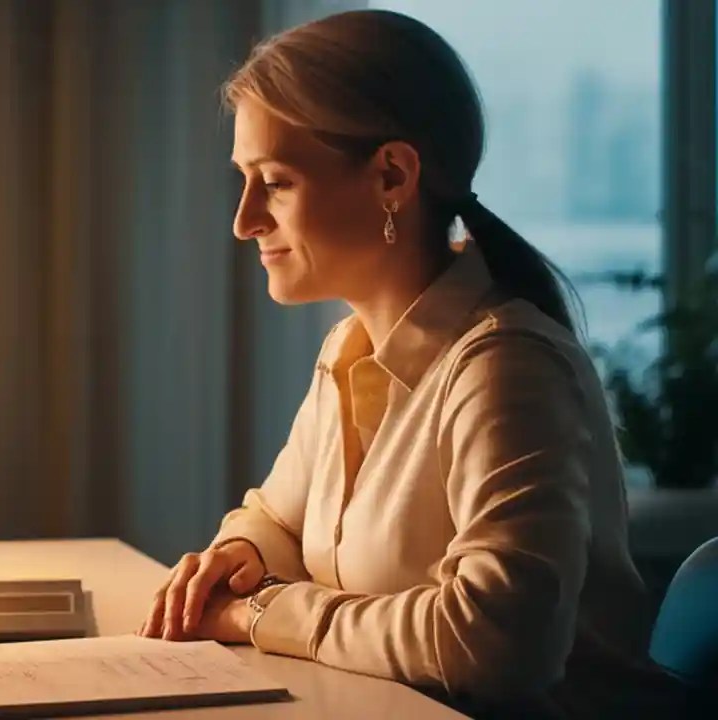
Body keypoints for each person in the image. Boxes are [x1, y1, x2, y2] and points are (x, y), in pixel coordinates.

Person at [138, 9, 689, 719]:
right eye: (245, 180)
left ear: (392, 176)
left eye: (274, 181)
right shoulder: (350, 347)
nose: (244, 219)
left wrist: (260, 613)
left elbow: (494, 645)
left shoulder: (504, 366)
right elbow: (276, 515)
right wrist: (242, 550)